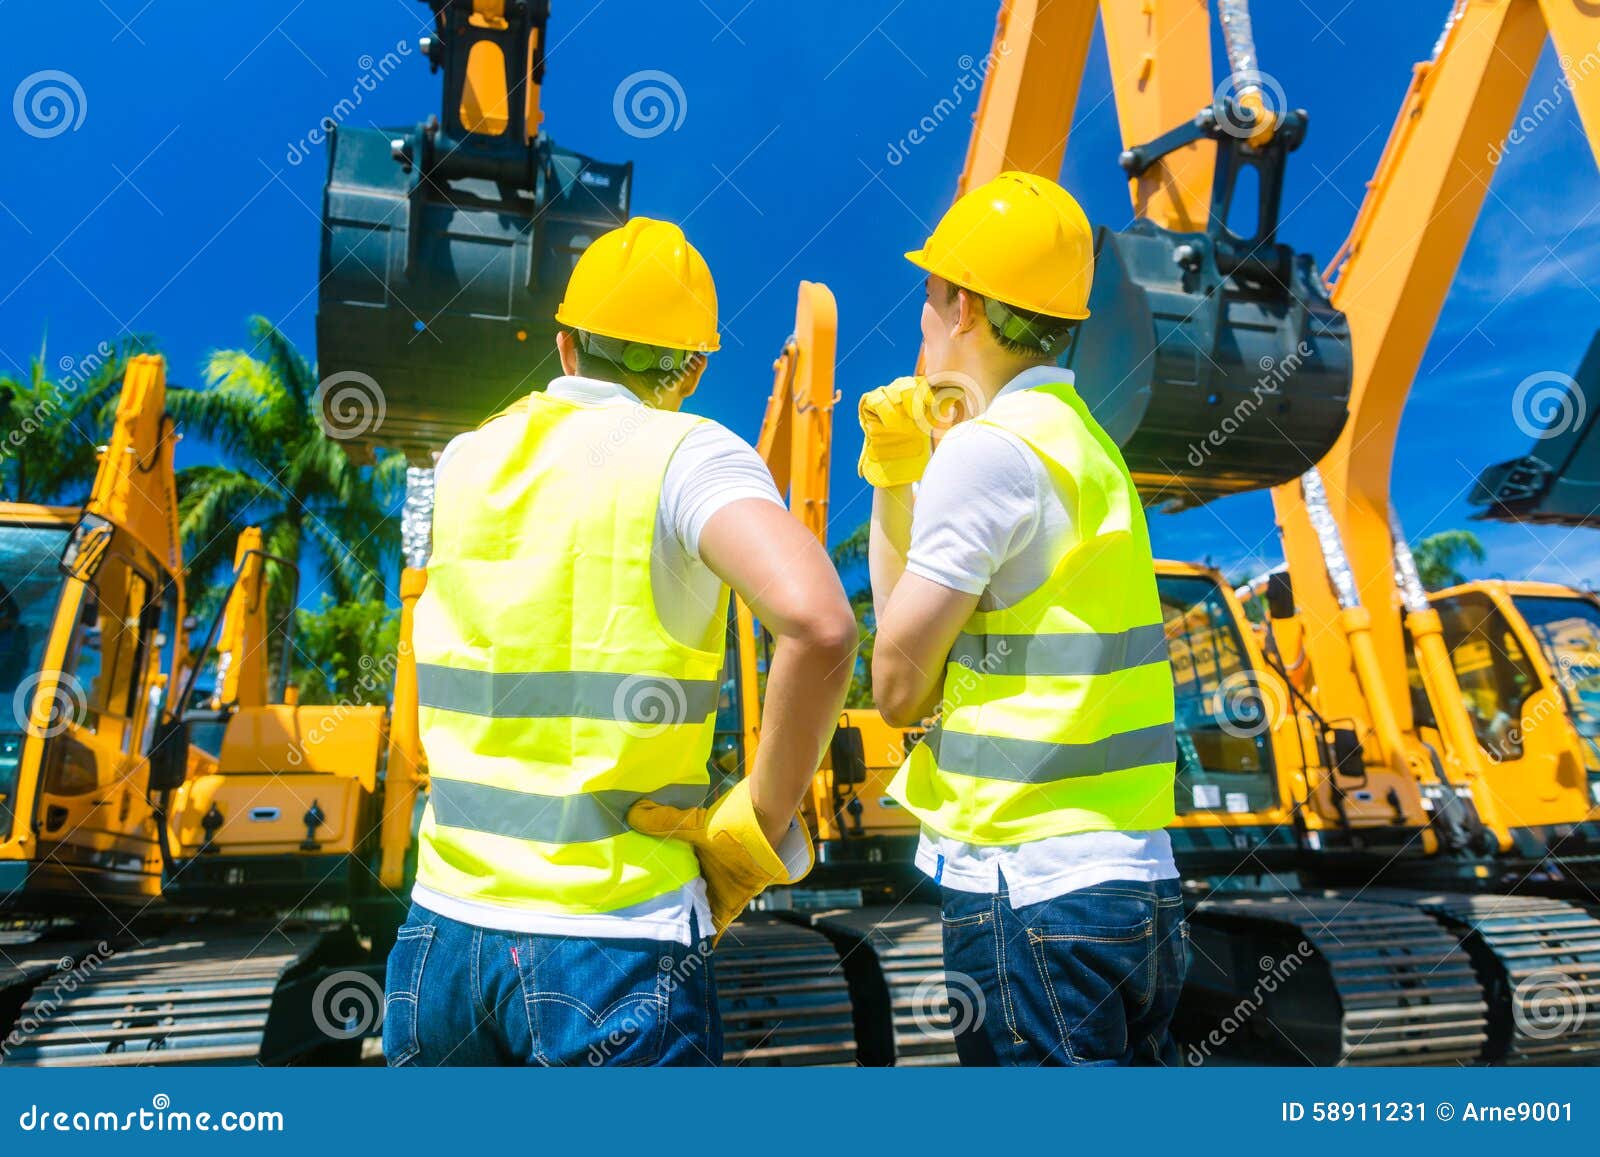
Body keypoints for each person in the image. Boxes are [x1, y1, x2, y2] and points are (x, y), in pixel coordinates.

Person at [383, 217, 857, 1067]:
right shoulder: (687, 454)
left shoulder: (461, 461)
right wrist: (755, 831)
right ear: (693, 368)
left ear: (566, 345)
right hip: (613, 942)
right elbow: (820, 623)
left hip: (440, 941)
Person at [860, 172, 1186, 1066]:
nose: (923, 321)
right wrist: (908, 474)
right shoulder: (1085, 447)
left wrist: (896, 479)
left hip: (1031, 889)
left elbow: (894, 683)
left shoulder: (989, 451)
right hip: (1134, 886)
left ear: (961, 304)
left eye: (928, 296)